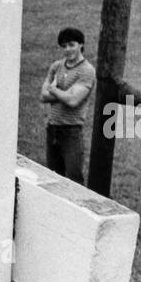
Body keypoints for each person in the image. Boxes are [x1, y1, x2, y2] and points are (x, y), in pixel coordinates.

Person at [40, 27, 96, 184]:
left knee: (74, 180)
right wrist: (64, 93)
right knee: (52, 179)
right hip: (52, 129)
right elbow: (43, 96)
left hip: (71, 131)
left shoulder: (87, 70)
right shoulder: (57, 66)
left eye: (71, 45)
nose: (67, 49)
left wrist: (54, 89)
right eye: (64, 46)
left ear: (81, 45)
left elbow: (73, 101)